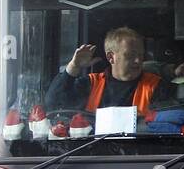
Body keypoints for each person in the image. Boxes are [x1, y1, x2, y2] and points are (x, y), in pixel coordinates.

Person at [46, 26, 175, 117]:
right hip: (91, 152)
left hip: (139, 153)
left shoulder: (158, 86)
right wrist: (74, 66)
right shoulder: (91, 83)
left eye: (141, 55)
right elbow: (53, 104)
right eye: (130, 55)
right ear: (110, 57)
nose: (137, 61)